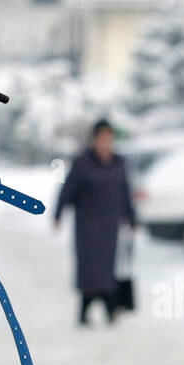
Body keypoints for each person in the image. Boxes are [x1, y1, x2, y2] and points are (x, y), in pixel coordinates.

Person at [54, 119, 136, 326]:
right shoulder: (83, 162)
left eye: (109, 138)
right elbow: (68, 189)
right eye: (102, 138)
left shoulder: (119, 163)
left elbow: (125, 191)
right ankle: (87, 310)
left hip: (110, 225)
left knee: (108, 266)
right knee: (89, 269)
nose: (106, 142)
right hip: (87, 225)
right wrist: (58, 213)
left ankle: (110, 308)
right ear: (95, 139)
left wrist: (132, 217)